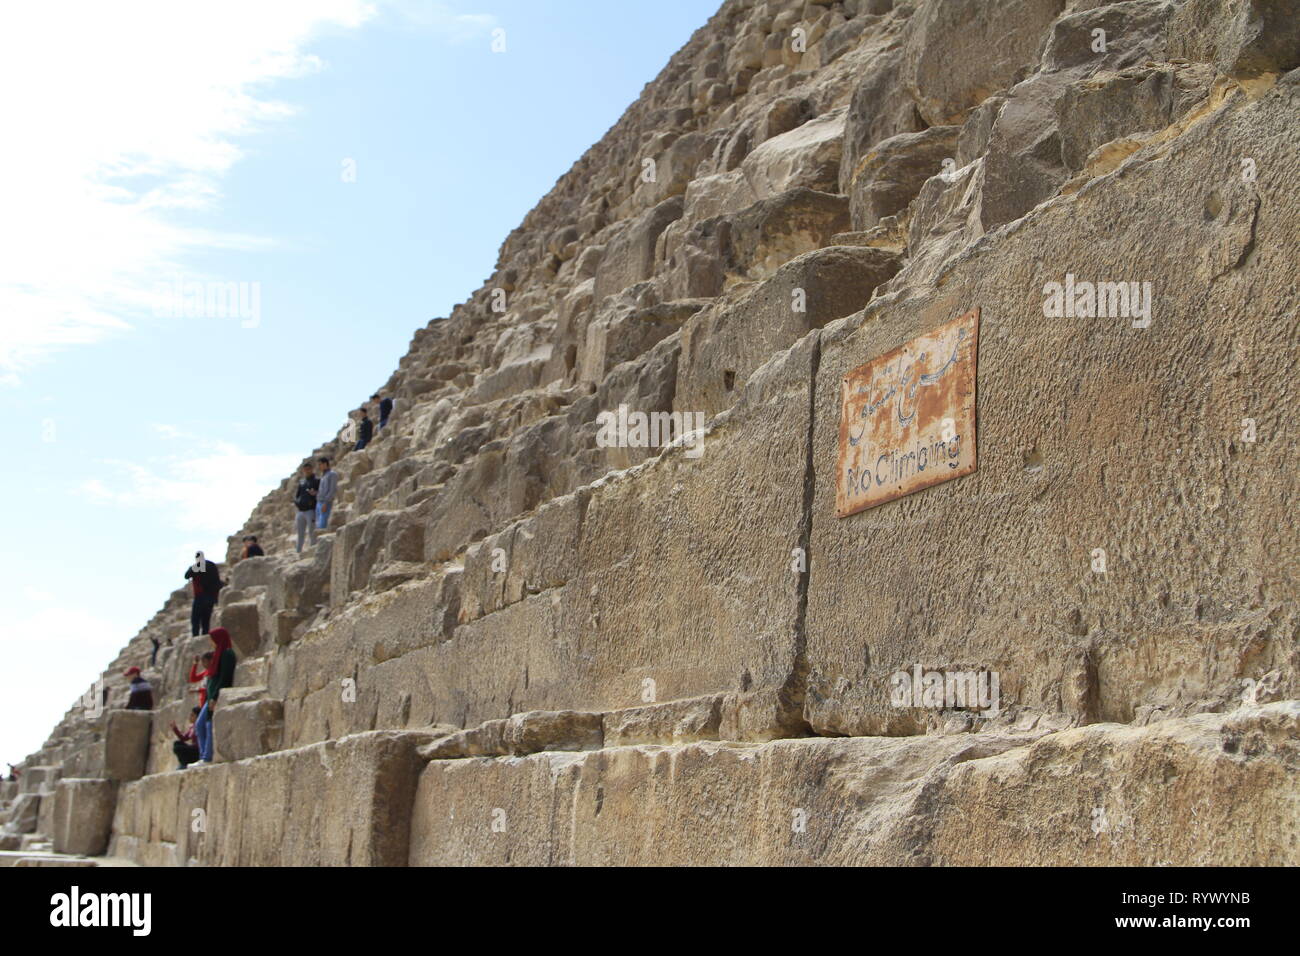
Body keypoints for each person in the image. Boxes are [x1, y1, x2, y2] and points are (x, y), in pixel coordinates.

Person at [193, 627, 236, 764]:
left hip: (216, 697)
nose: (211, 642)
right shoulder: (218, 654)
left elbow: (224, 678)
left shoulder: (227, 654)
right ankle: (203, 756)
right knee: (201, 725)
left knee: (208, 725)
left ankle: (207, 758)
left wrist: (215, 697)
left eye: (213, 639)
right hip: (210, 698)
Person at [183, 552, 224, 636]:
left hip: (200, 596)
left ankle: (196, 637)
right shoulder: (211, 565)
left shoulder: (197, 566)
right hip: (211, 597)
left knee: (196, 619)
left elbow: (187, 575)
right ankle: (205, 637)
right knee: (206, 620)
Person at [293, 463, 320, 553]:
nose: (307, 471)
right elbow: (297, 495)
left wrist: (314, 494)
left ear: (312, 469)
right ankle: (298, 551)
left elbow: (320, 494)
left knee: (312, 532)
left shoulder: (316, 481)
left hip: (310, 510)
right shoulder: (302, 482)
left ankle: (312, 550)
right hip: (301, 511)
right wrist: (298, 503)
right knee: (300, 533)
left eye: (309, 469)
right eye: (305, 469)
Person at [316, 457, 338, 531]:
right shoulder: (323, 475)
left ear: (325, 464)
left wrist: (325, 503)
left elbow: (332, 490)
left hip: (325, 503)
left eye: (320, 464)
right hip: (319, 502)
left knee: (322, 525)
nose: (319, 467)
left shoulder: (332, 474)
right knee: (318, 525)